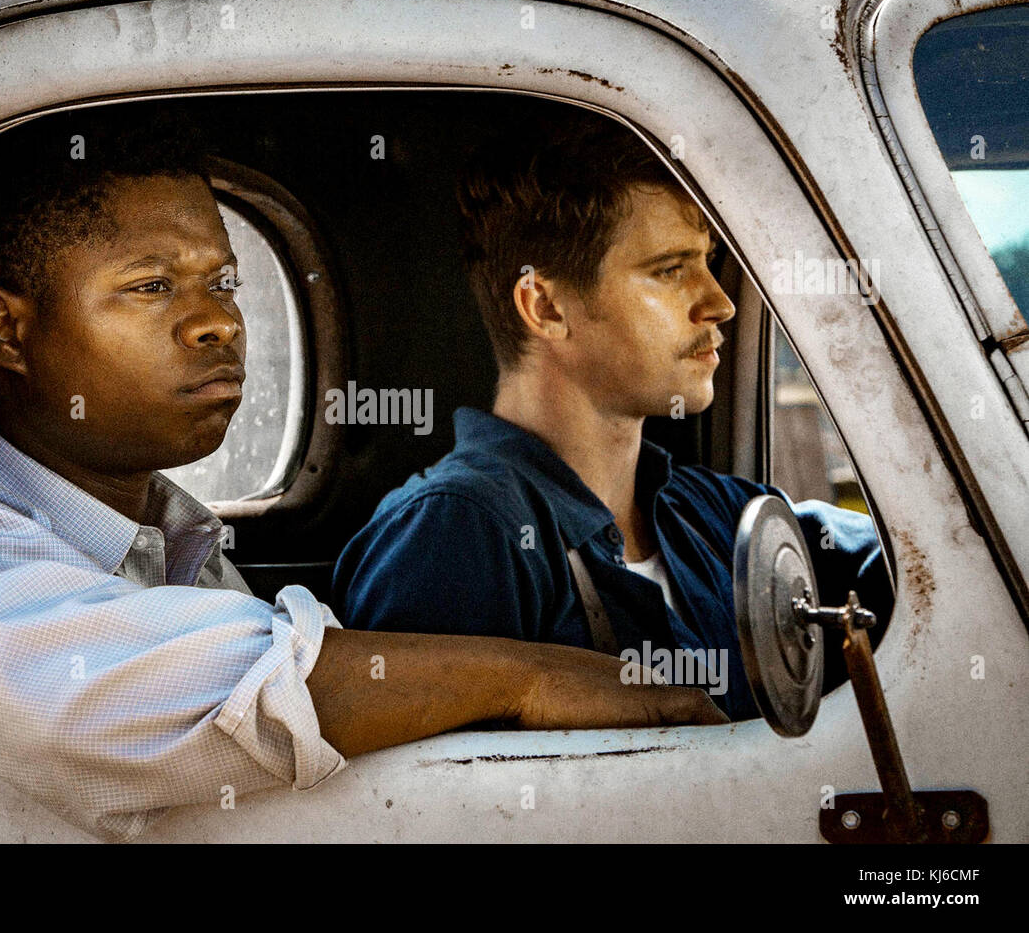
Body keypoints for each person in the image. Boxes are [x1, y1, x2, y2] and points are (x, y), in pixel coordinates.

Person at [0, 107, 725, 842]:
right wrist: (535, 679)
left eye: (221, 282)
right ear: (4, 328)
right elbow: (233, 685)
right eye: (152, 286)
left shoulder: (176, 546)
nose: (218, 321)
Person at [332, 114, 892, 722]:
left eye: (706, 262)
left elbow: (917, 563)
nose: (720, 302)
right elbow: (431, 808)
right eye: (670, 269)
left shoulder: (714, 514)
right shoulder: (455, 537)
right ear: (545, 306)